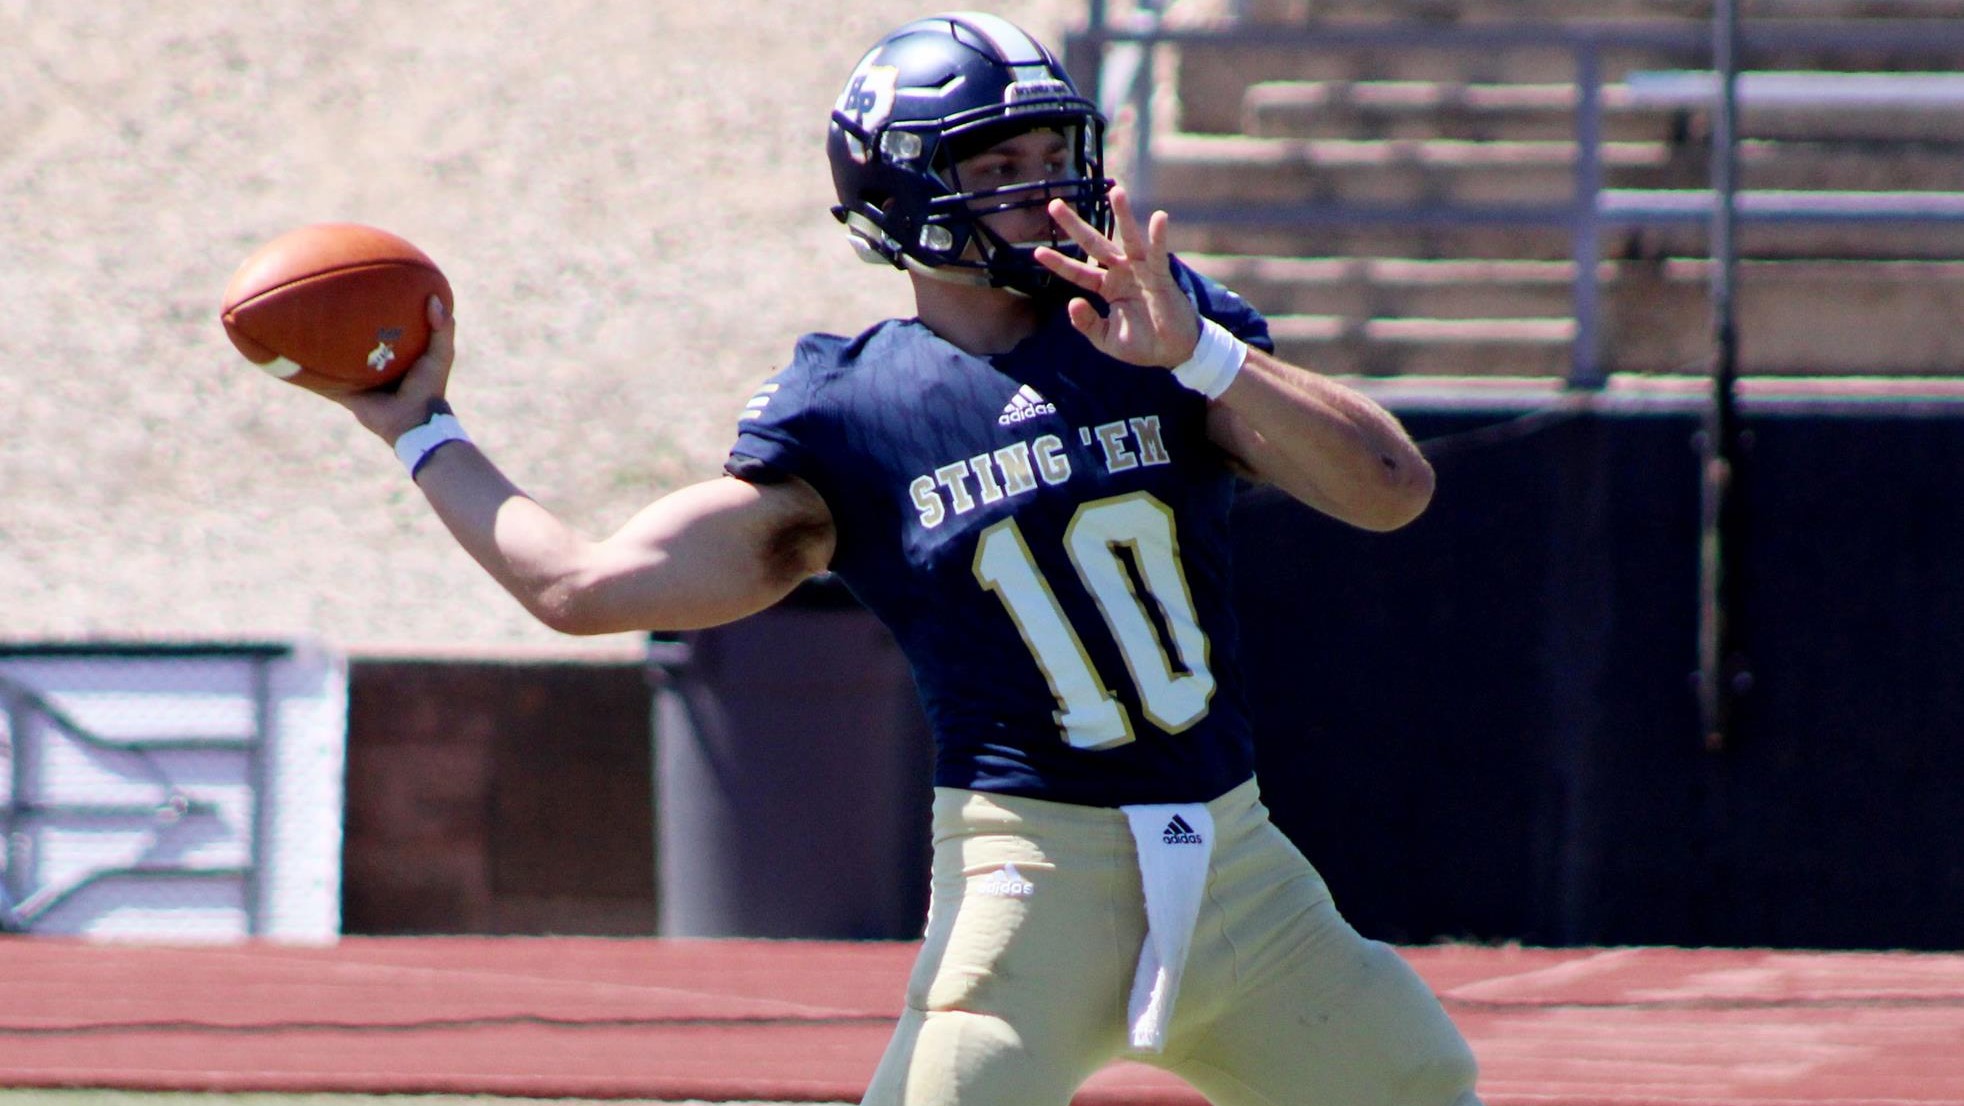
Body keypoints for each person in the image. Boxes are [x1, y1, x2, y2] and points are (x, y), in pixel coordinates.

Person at [333, 11, 1481, 1105]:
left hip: (1240, 865)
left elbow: (1392, 492)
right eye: (994, 168)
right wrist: (422, 427)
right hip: (1032, 879)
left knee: (1417, 1080)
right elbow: (579, 587)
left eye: (1052, 151)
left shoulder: (1156, 328)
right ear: (903, 196)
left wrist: (1204, 357)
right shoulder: (855, 407)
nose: (1041, 190)